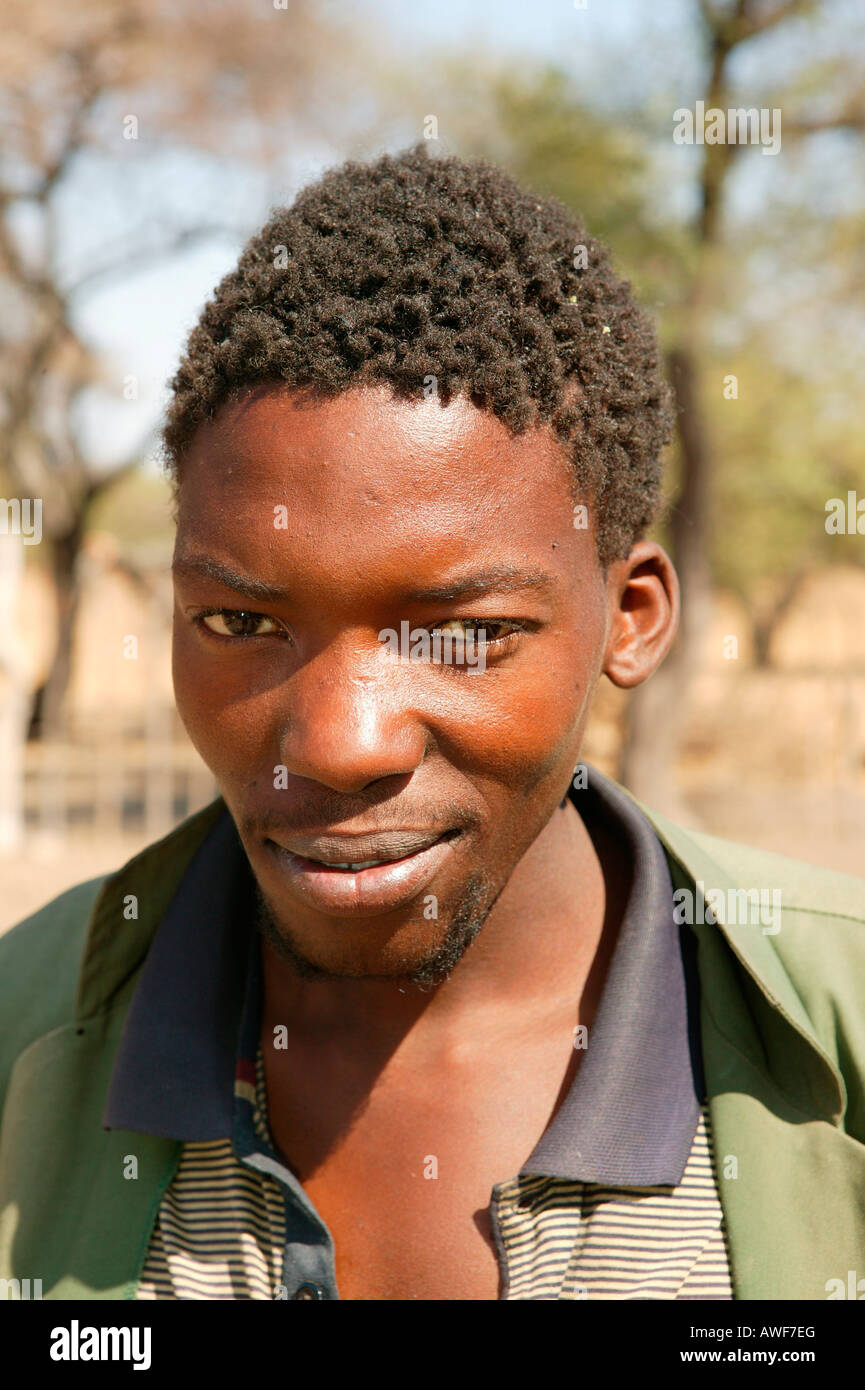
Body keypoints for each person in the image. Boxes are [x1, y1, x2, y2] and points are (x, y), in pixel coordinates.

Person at [2, 144, 864, 1303]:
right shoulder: (27, 1029)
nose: (338, 742)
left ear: (632, 618)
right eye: (239, 620)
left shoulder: (836, 1035)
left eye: (459, 634)